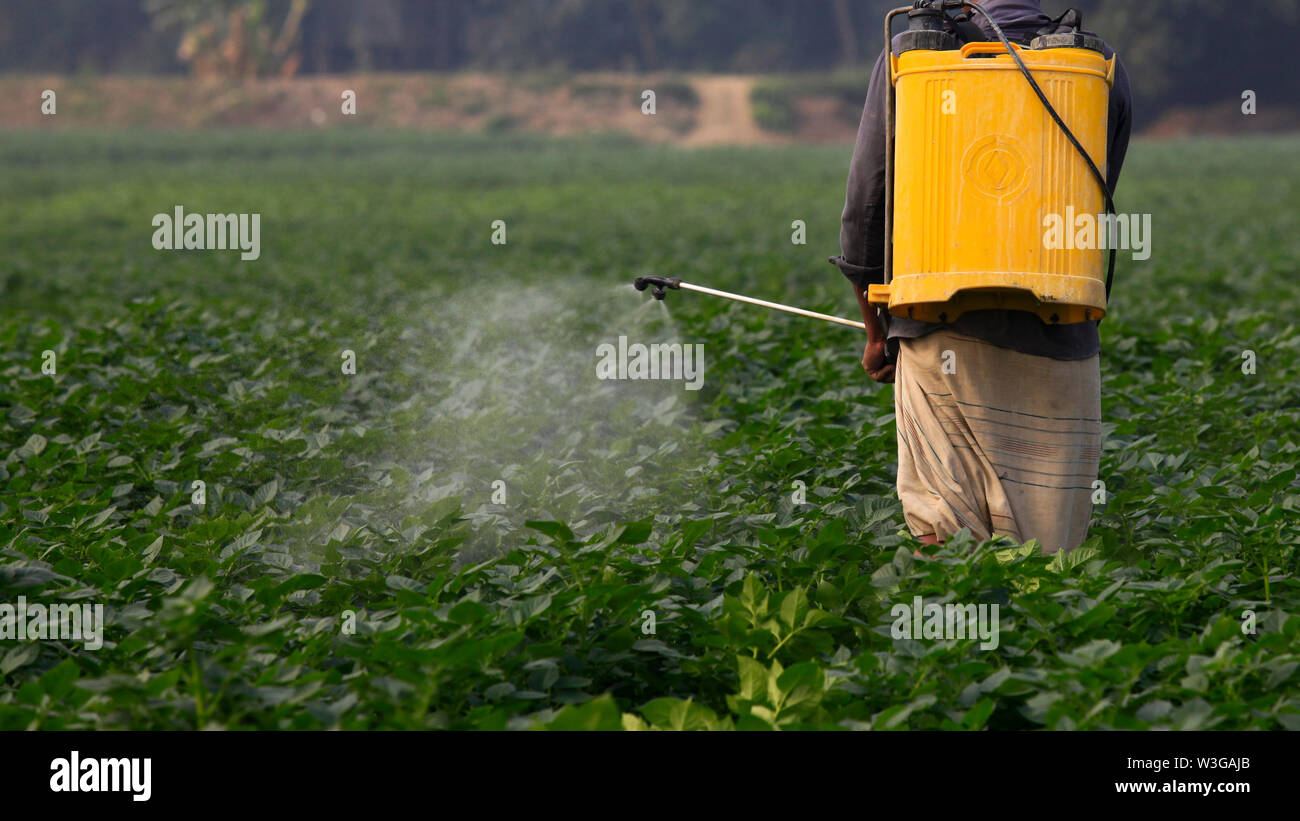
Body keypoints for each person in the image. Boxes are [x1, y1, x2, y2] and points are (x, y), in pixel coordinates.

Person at [829, 0, 1133, 555]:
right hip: (1059, 339)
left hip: (938, 332)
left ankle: (959, 637)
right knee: (1049, 556)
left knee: (943, 535)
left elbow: (865, 215)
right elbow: (1095, 186)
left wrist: (877, 334)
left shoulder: (912, 53)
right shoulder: (1094, 63)